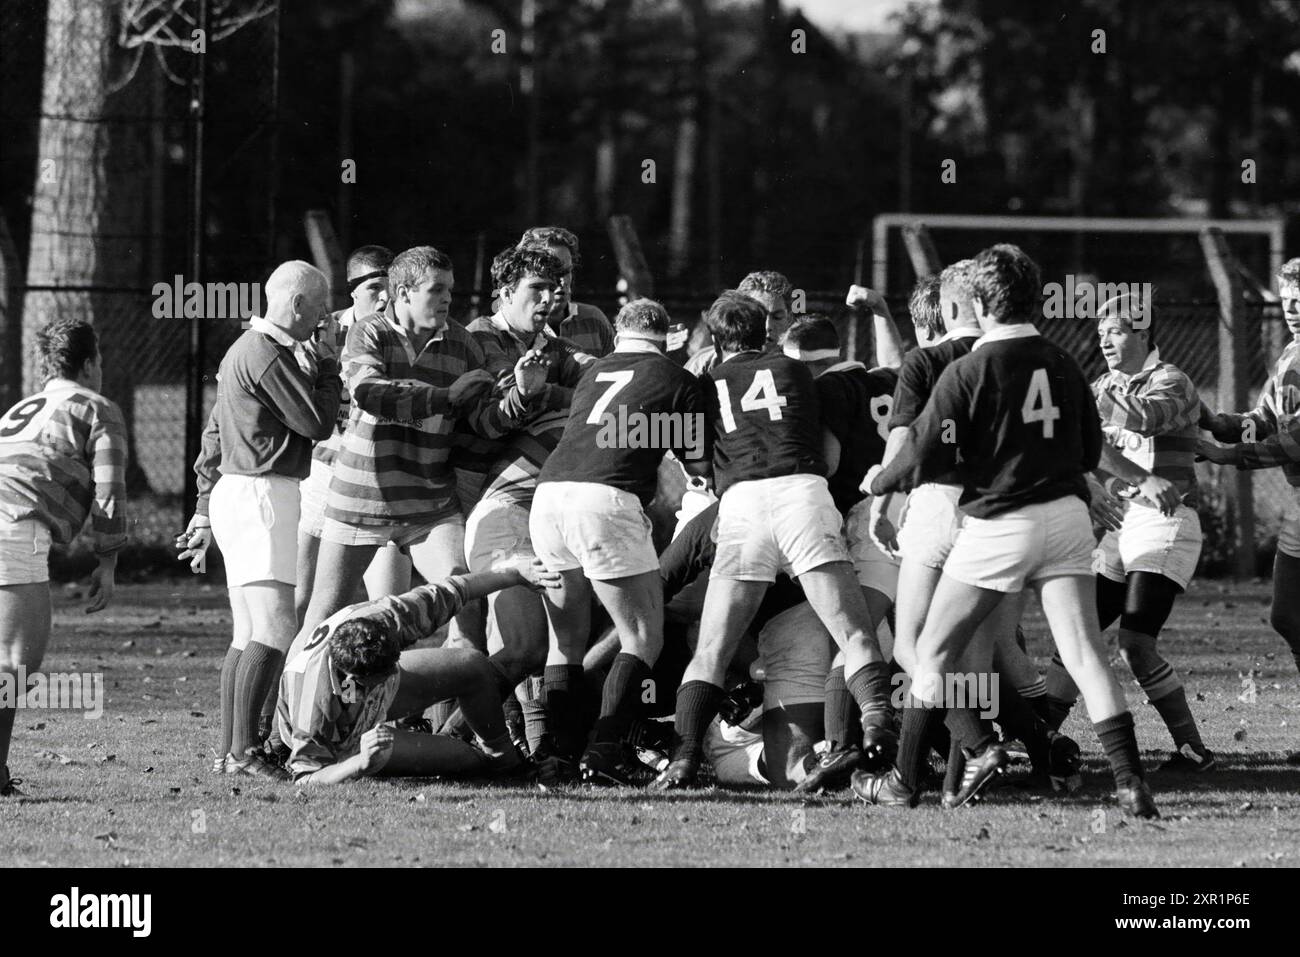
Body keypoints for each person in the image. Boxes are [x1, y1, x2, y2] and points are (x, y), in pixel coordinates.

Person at [860, 244, 1159, 818]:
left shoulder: (966, 369)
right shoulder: (1065, 362)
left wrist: (878, 484)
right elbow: (1090, 449)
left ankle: (903, 782)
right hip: (1069, 519)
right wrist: (1140, 480)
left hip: (1000, 524)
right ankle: (1130, 783)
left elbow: (919, 452)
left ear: (978, 300)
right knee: (1084, 654)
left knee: (928, 650)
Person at [651, 291, 895, 791]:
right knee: (855, 635)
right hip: (804, 495)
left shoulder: (707, 381)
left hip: (742, 503)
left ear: (715, 340)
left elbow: (696, 464)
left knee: (711, 651)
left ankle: (684, 756)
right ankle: (874, 725)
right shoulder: (800, 373)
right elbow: (826, 454)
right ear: (767, 332)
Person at [295, 245, 549, 658]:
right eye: (436, 289)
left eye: (450, 289)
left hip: (428, 502)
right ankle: (288, 718)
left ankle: (457, 723)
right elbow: (369, 392)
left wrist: (522, 394)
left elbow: (485, 421)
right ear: (403, 293)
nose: (448, 298)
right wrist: (445, 397)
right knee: (322, 615)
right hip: (362, 498)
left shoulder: (464, 345)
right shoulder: (370, 332)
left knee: (464, 604)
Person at [530, 299, 712, 784]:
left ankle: (557, 755)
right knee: (643, 635)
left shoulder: (596, 373)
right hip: (605, 499)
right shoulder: (678, 378)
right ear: (667, 338)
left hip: (547, 497)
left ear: (618, 335)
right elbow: (698, 466)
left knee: (564, 642)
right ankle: (604, 749)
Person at [180, 261, 342, 780]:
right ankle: (244, 751)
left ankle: (232, 750)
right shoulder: (267, 354)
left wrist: (204, 506)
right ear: (297, 305)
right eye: (318, 309)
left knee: (246, 630)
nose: (322, 319)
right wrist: (330, 365)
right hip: (263, 492)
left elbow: (211, 436)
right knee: (276, 626)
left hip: (238, 491)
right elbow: (315, 423)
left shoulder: (242, 350)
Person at [1042, 293, 1214, 771]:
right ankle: (1041, 738)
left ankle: (1193, 750)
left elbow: (1143, 417)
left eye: (1114, 331)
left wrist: (1076, 391)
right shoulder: (1103, 384)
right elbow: (1088, 449)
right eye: (1100, 335)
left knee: (1135, 644)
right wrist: (1112, 485)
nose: (1105, 341)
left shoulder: (1172, 380)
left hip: (1168, 523)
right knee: (1078, 634)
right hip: (1122, 525)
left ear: (1143, 333)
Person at [278, 560, 559, 784]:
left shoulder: (387, 617)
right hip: (342, 738)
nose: (390, 677)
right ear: (356, 680)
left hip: (357, 689)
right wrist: (359, 762)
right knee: (470, 762)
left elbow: (456, 589)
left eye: (393, 666)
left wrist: (514, 574)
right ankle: (479, 758)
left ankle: (506, 759)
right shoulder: (314, 704)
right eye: (382, 678)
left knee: (472, 665)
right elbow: (306, 778)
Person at [0, 318, 127, 796]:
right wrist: (108, 560)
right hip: (13, 528)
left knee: (10, 664)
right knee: (16, 663)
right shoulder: (97, 408)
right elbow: (110, 491)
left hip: (9, 521)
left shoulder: (23, 406)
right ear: (91, 362)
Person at [1199, 257, 1300, 760]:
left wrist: (1227, 454)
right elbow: (1263, 419)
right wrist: (1214, 421)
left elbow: (1297, 440)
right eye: (1288, 301)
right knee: (1287, 616)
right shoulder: (1288, 356)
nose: (1295, 309)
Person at [296, 245, 410, 628]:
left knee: (389, 607)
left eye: (392, 287)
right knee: (302, 600)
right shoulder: (321, 331)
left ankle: (374, 687)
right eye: (376, 286)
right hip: (322, 477)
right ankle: (287, 683)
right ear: (353, 290)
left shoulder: (406, 334)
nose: (385, 296)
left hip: (380, 481)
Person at [518, 226, 615, 357]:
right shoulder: (516, 329)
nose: (562, 281)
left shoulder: (594, 320)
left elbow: (617, 372)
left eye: (566, 271)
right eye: (554, 272)